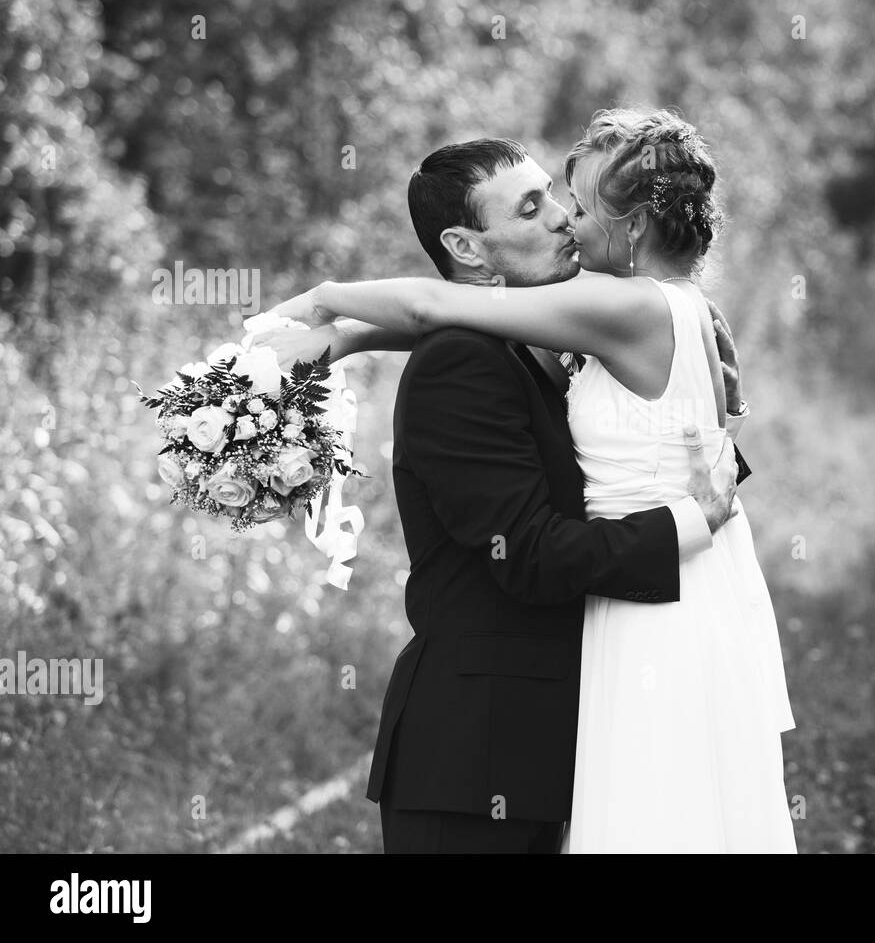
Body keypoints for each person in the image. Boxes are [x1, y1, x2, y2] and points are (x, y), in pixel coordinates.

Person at [260, 109, 796, 852]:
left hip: (613, 660)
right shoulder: (484, 356)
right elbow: (533, 548)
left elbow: (446, 309)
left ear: (634, 226)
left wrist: (331, 307)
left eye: (565, 199)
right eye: (536, 206)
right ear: (466, 248)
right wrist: (334, 334)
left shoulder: (591, 321)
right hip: (477, 753)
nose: (564, 222)